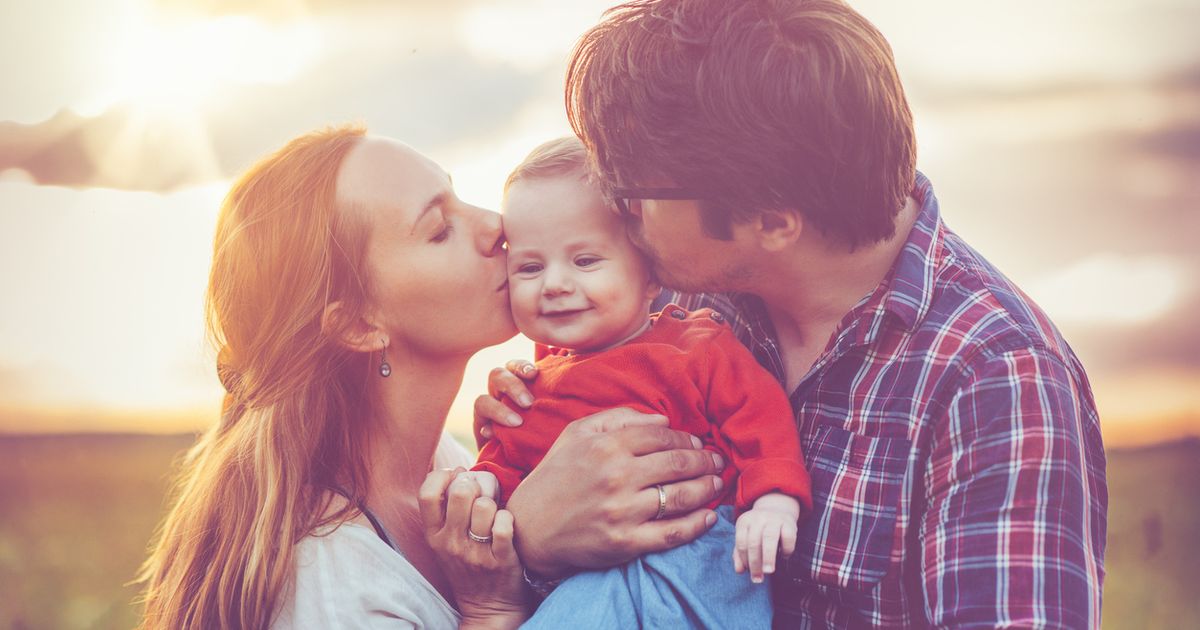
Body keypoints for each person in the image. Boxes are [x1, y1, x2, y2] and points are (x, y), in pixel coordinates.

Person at [474, 1, 1108, 627]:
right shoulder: (677, 293)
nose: (616, 207)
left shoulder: (998, 379)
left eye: (632, 188)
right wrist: (526, 486)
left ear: (771, 221)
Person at [136, 124, 548, 629]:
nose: (494, 223)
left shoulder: (439, 463)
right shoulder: (331, 586)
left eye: (459, 197)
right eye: (441, 229)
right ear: (358, 324)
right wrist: (490, 613)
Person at [465, 137, 812, 628]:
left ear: (651, 277)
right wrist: (483, 480)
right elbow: (512, 466)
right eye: (529, 267)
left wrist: (773, 499)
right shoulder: (528, 387)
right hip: (590, 579)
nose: (555, 283)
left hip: (698, 557)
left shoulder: (696, 346)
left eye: (585, 261)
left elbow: (759, 416)